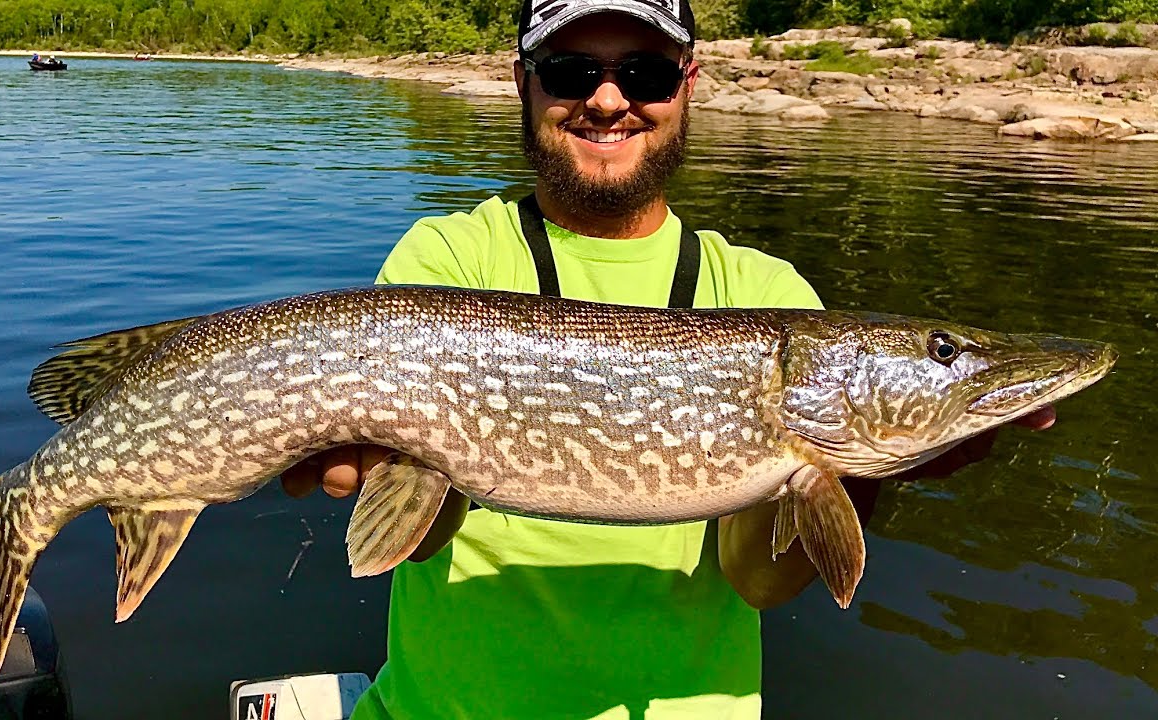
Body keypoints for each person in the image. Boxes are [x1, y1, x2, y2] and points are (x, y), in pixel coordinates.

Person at [280, 1, 1057, 717]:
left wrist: (864, 471)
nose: (607, 100)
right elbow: (423, 531)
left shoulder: (763, 292)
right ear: (523, 83)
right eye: (570, 71)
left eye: (644, 73)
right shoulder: (449, 260)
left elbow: (758, 579)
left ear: (687, 84)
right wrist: (385, 461)